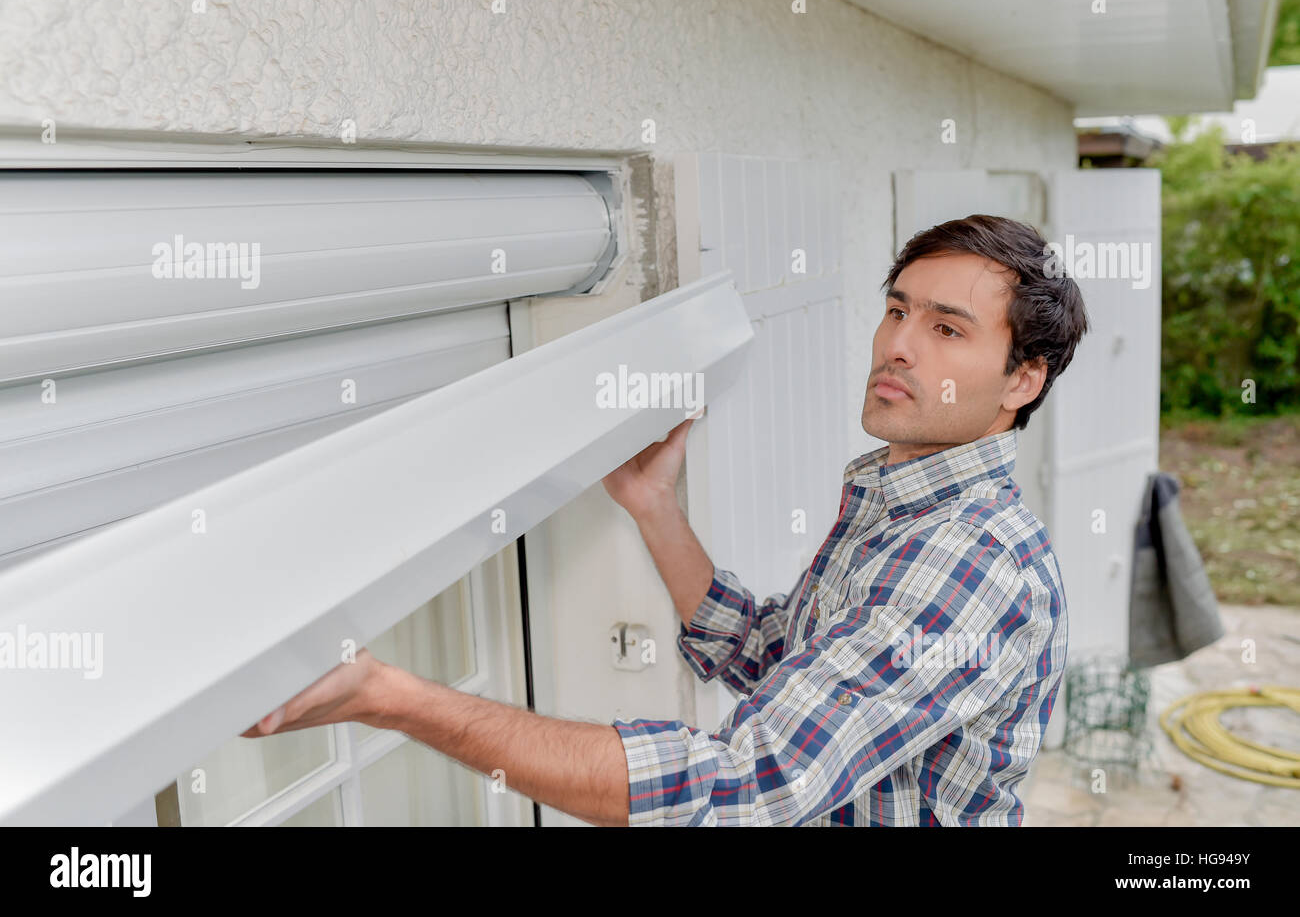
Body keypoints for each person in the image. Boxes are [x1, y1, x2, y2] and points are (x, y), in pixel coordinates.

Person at [243, 213, 1088, 827]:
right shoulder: (901, 507)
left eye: (947, 329)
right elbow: (770, 658)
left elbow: (742, 786)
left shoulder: (968, 563)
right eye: (898, 309)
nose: (899, 345)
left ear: (1022, 381)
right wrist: (654, 509)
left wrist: (396, 698)